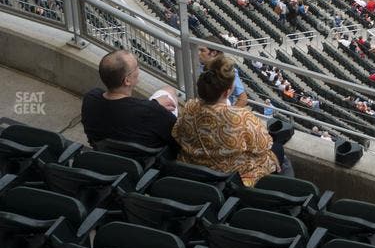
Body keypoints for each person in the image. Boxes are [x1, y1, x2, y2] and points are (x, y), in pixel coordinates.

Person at [172, 54, 281, 186]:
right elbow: (264, 144)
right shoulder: (241, 117)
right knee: (278, 148)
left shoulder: (189, 107)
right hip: (228, 175)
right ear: (227, 92)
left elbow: (176, 133)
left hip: (194, 169)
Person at [80, 50, 177, 149]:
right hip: (148, 157)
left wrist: (154, 104)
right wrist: (155, 107)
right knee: (169, 91)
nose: (138, 69)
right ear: (127, 81)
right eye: (136, 67)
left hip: (105, 154)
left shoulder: (90, 99)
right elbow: (178, 137)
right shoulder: (151, 112)